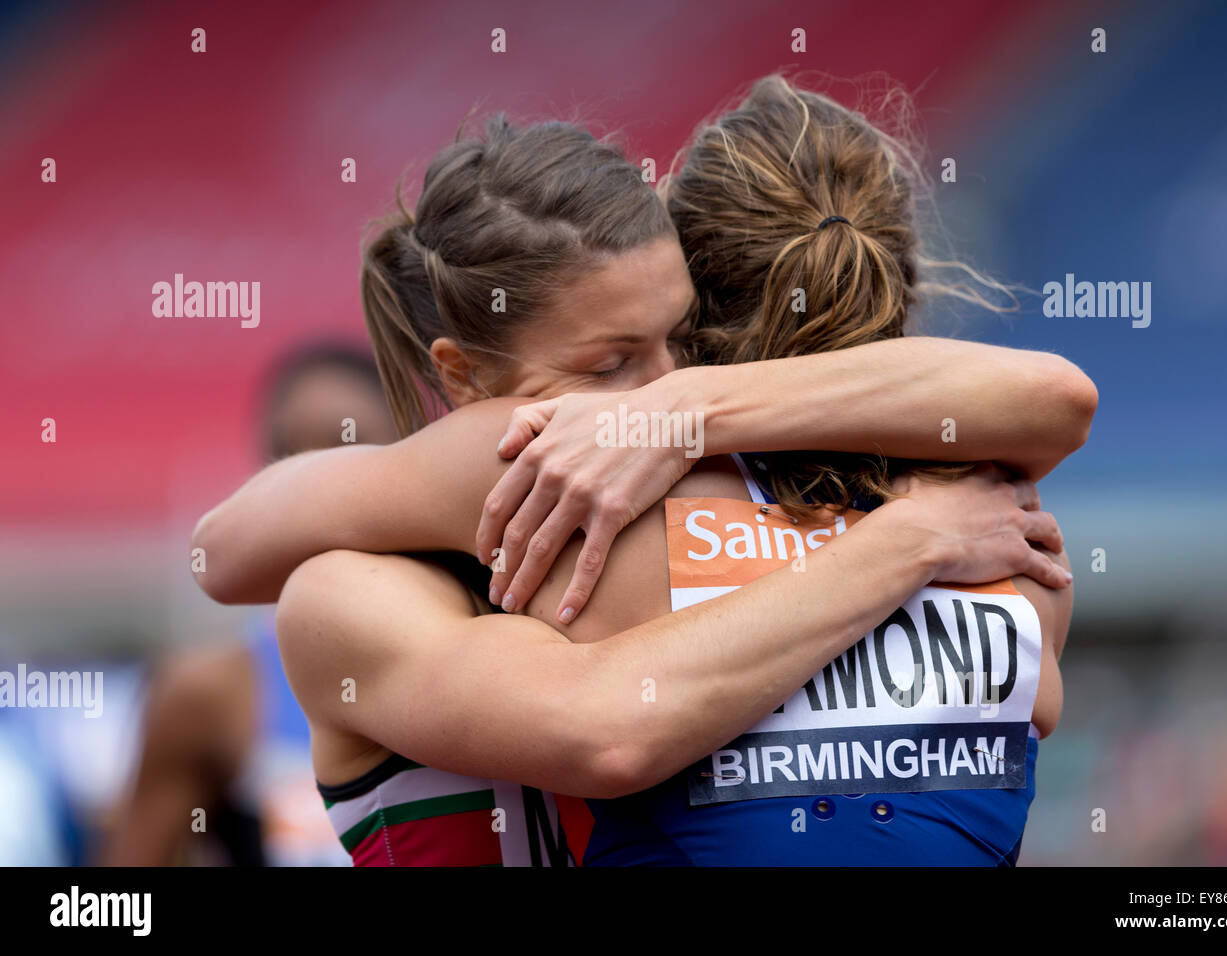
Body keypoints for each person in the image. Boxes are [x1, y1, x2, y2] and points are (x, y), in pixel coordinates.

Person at [193, 83, 1092, 864]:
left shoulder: (682, 432)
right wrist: (907, 542)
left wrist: (687, 408)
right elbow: (224, 553)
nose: (654, 385)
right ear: (463, 373)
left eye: (679, 340)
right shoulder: (520, 449)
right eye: (611, 363)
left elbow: (1058, 398)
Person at [106, 345, 396, 866]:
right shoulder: (210, 694)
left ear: (408, 458)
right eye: (287, 453)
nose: (311, 482)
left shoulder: (481, 648)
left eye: (345, 445)